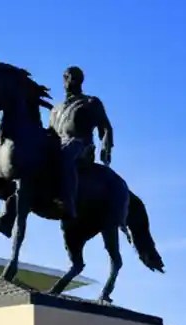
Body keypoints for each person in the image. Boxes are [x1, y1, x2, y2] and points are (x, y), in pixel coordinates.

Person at [47, 66, 113, 220]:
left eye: (72, 77)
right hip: (59, 146)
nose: (69, 81)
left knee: (67, 153)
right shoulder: (56, 109)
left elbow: (106, 127)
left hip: (81, 146)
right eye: (67, 77)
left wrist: (106, 148)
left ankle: (68, 202)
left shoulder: (90, 102)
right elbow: (50, 132)